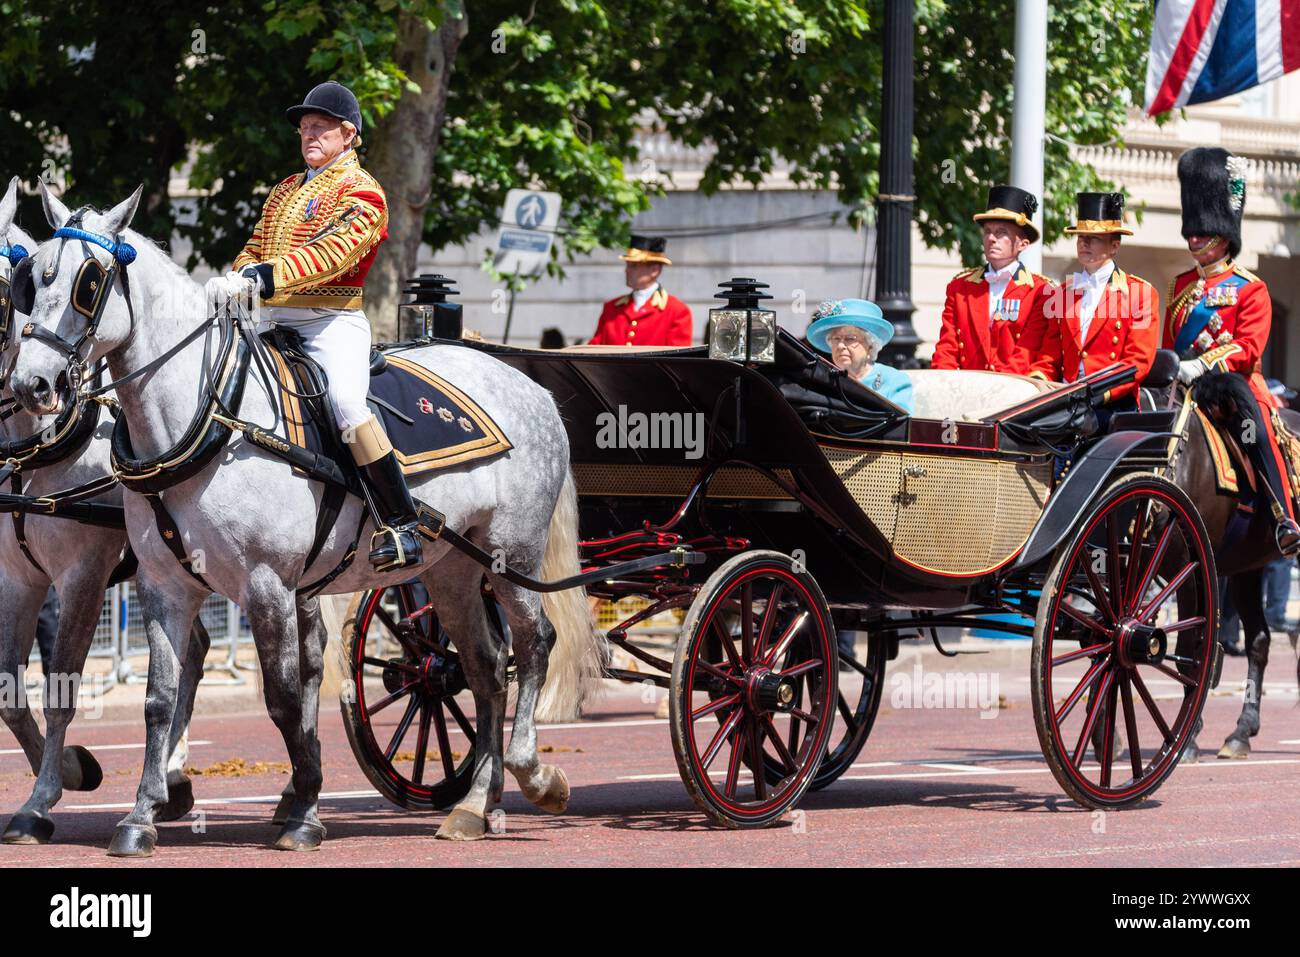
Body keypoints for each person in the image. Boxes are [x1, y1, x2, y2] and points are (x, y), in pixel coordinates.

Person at [205, 80, 431, 571]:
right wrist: (237, 273)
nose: (308, 135)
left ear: (348, 134)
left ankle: (400, 524)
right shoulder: (286, 188)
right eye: (304, 128)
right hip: (268, 318)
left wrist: (266, 277)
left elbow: (331, 253)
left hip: (329, 322)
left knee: (348, 407)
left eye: (319, 127)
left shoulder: (363, 190)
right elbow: (257, 243)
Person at [1164, 147, 1300, 555]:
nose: (1194, 238)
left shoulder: (1250, 287)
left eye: (1202, 231)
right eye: (1192, 231)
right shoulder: (1180, 285)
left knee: (1254, 428)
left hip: (1231, 386)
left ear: (1223, 234)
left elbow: (1248, 347)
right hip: (1185, 387)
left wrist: (1202, 364)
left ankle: (1283, 515)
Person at [1028, 191, 1159, 419]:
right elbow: (1049, 356)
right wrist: (1038, 383)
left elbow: (1137, 362)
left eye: (1095, 238)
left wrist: (1095, 393)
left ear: (1114, 245)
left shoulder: (1140, 293)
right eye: (1081, 237)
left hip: (1112, 403)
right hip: (1065, 401)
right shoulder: (1063, 293)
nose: (1084, 243)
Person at [931, 185, 1055, 374]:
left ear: (1023, 243)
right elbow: (947, 348)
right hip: (966, 392)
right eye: (987, 231)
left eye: (1001, 232)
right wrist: (944, 384)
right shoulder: (959, 288)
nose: (991, 238)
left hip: (1017, 395)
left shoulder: (1040, 291)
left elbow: (1026, 353)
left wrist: (999, 391)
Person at [805, 298, 914, 412]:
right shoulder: (825, 381)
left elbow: (903, 425)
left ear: (870, 346)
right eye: (836, 339)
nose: (840, 346)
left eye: (850, 338)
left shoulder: (894, 380)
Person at [589, 235, 692, 346]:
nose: (626, 270)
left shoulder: (676, 311)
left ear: (654, 270)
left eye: (633, 266)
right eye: (627, 265)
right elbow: (593, 351)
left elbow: (678, 360)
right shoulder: (611, 308)